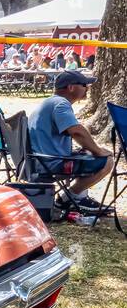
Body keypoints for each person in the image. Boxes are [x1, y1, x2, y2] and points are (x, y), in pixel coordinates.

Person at [29, 71, 113, 213]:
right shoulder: (61, 104)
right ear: (71, 87)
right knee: (107, 161)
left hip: (39, 160)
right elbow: (76, 131)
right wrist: (98, 151)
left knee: (86, 153)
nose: (87, 88)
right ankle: (68, 199)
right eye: (84, 85)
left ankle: (78, 197)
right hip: (51, 164)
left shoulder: (49, 102)